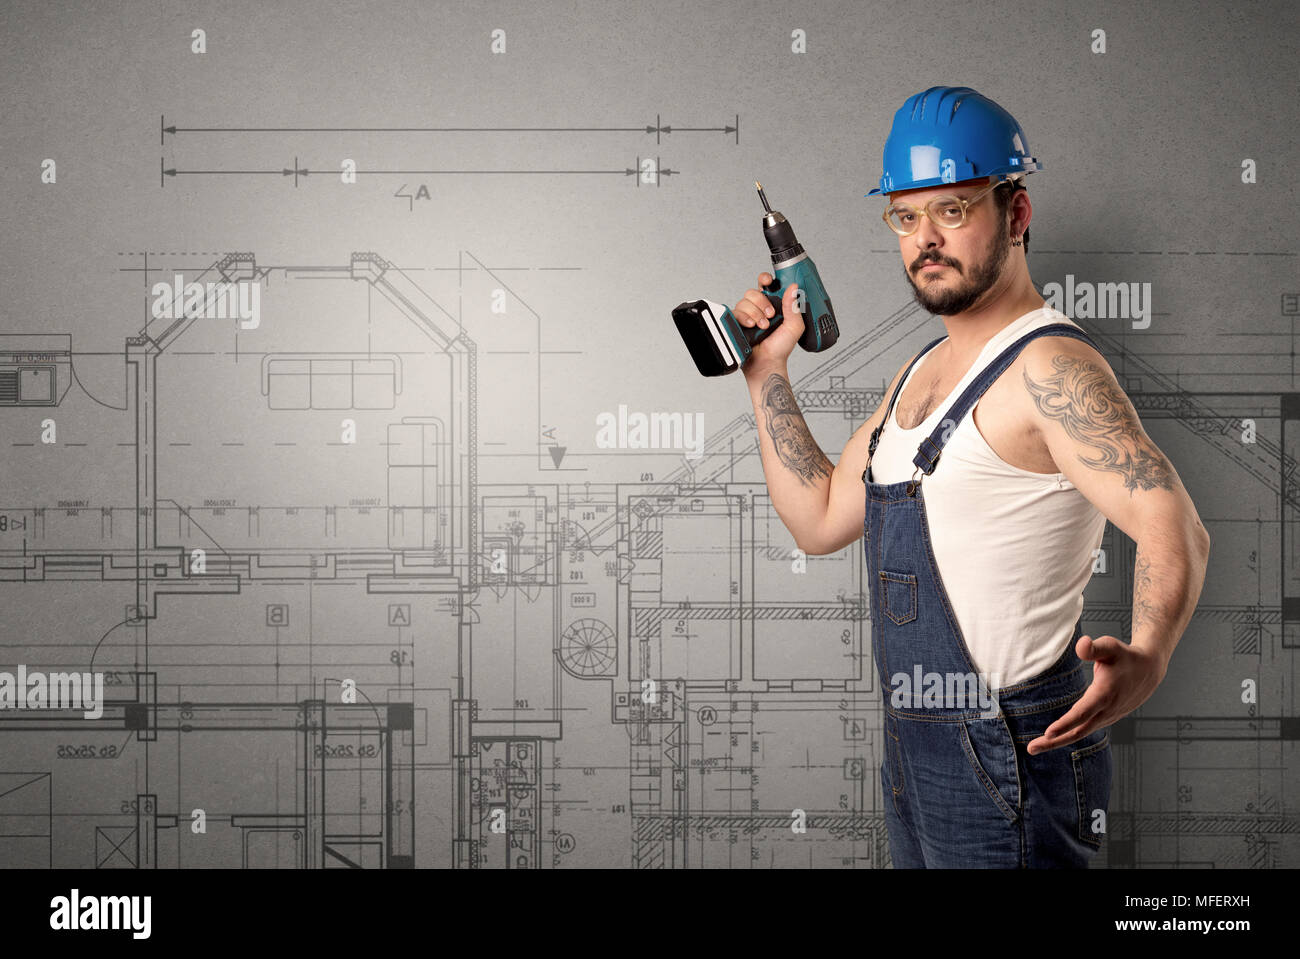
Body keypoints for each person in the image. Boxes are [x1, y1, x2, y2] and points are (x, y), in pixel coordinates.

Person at [732, 86, 1210, 868]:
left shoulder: (1050, 365)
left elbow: (1173, 521)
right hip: (914, 742)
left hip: (1010, 744)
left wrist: (1151, 652)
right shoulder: (920, 372)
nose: (925, 239)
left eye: (953, 211)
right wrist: (766, 374)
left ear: (1016, 215)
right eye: (905, 216)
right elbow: (818, 519)